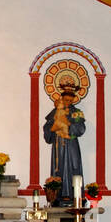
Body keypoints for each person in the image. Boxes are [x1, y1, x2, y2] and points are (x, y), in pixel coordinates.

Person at [43, 78, 86, 206]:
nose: (68, 102)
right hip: (58, 145)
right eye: (65, 99)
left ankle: (75, 197)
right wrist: (53, 128)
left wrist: (68, 125)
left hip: (72, 144)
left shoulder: (76, 113)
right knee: (59, 167)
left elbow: (81, 128)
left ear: (74, 100)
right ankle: (58, 196)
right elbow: (47, 129)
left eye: (70, 100)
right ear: (61, 98)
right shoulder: (55, 112)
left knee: (74, 166)